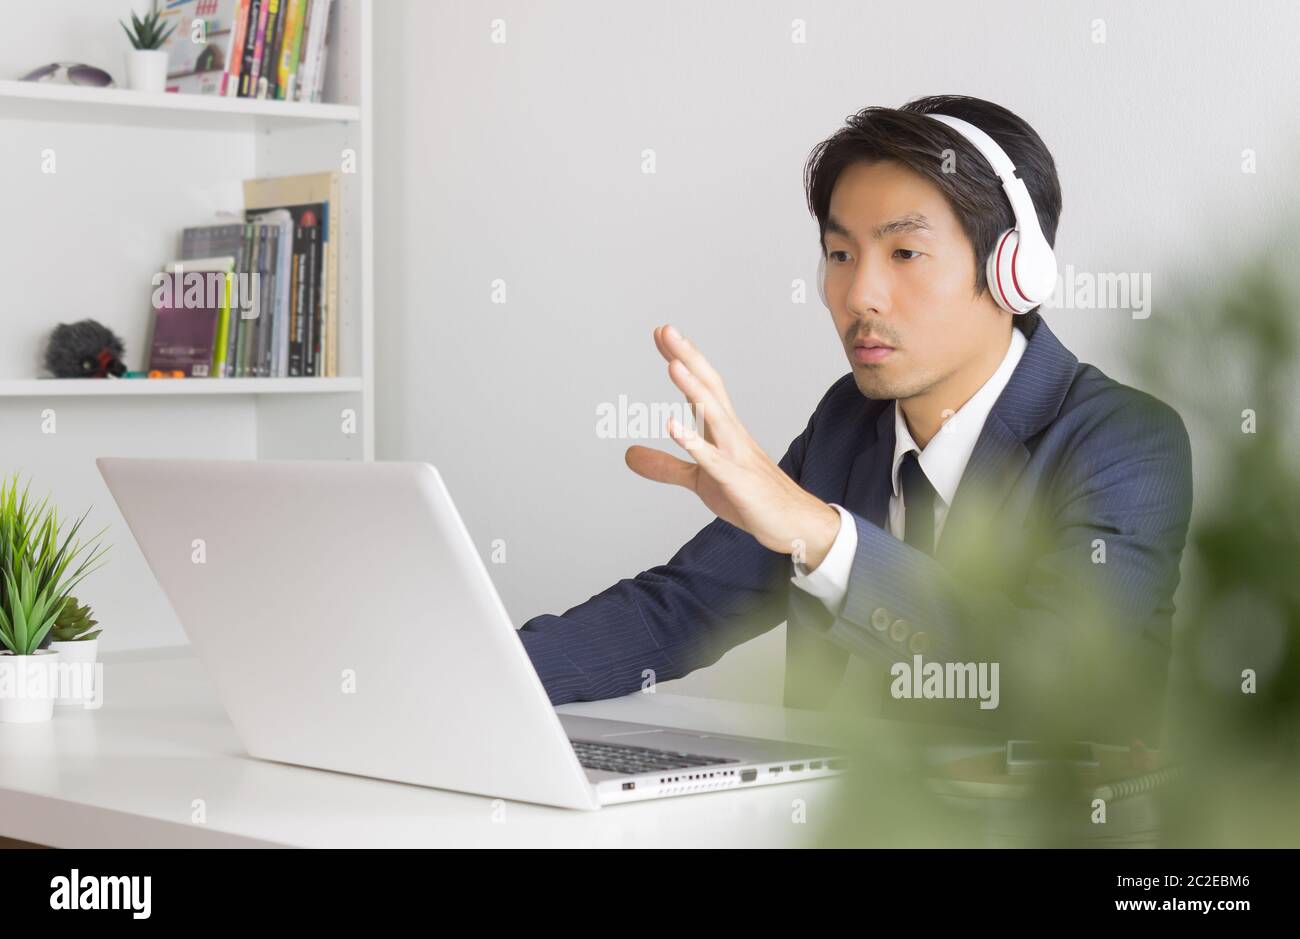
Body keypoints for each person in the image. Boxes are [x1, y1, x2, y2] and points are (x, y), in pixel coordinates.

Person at [516, 95, 1192, 743]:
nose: (858, 294)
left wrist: (825, 536)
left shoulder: (1124, 441)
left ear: (1015, 271)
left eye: (904, 253)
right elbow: (680, 610)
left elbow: (1050, 687)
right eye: (841, 255)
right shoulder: (848, 422)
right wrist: (458, 674)